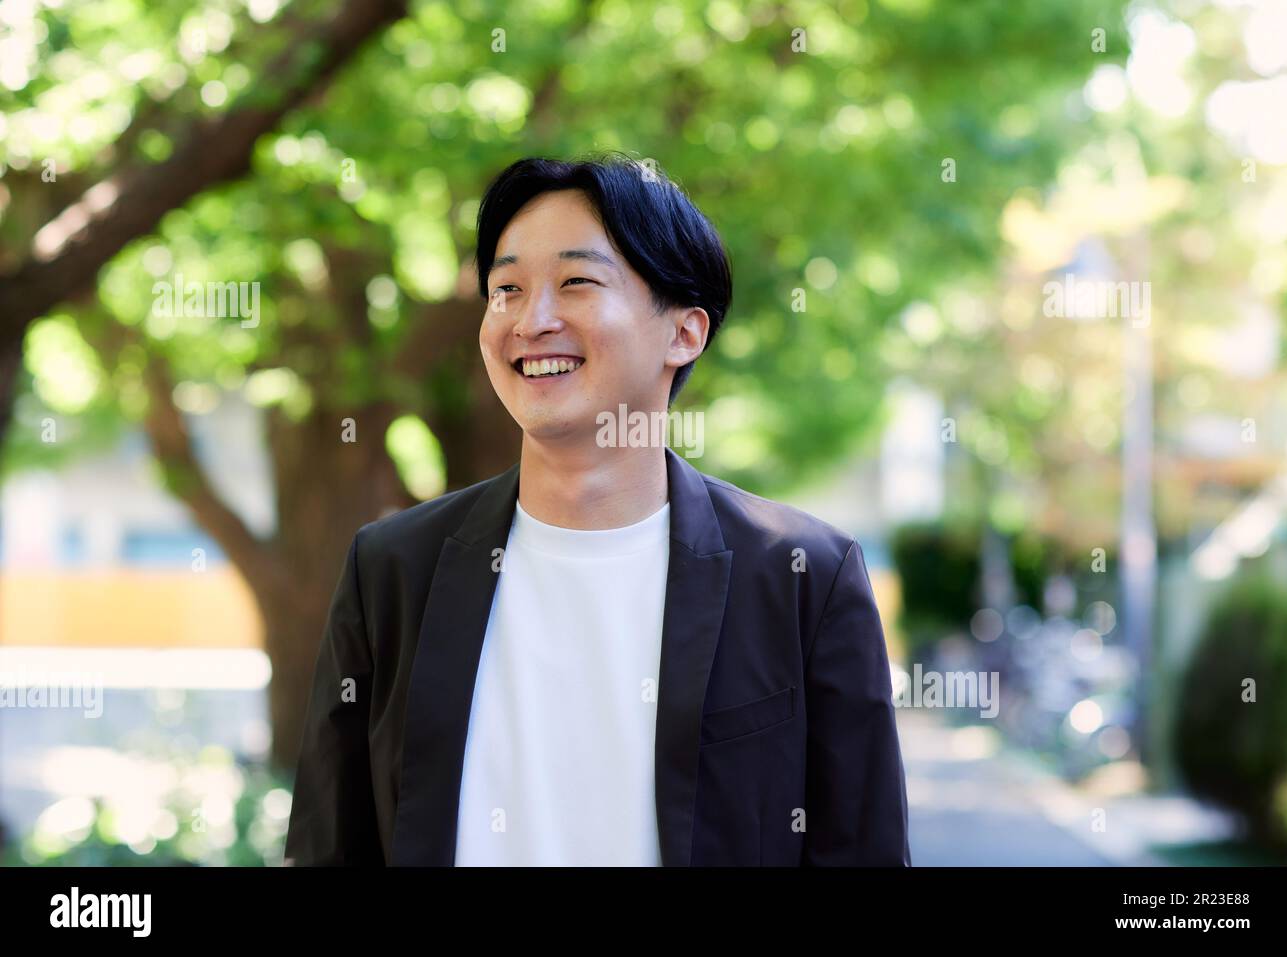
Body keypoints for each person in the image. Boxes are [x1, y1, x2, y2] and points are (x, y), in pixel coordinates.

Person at [285, 153, 910, 866]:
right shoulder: (394, 569)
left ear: (685, 332)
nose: (531, 319)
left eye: (576, 282)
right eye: (506, 289)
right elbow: (328, 846)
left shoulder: (802, 576)